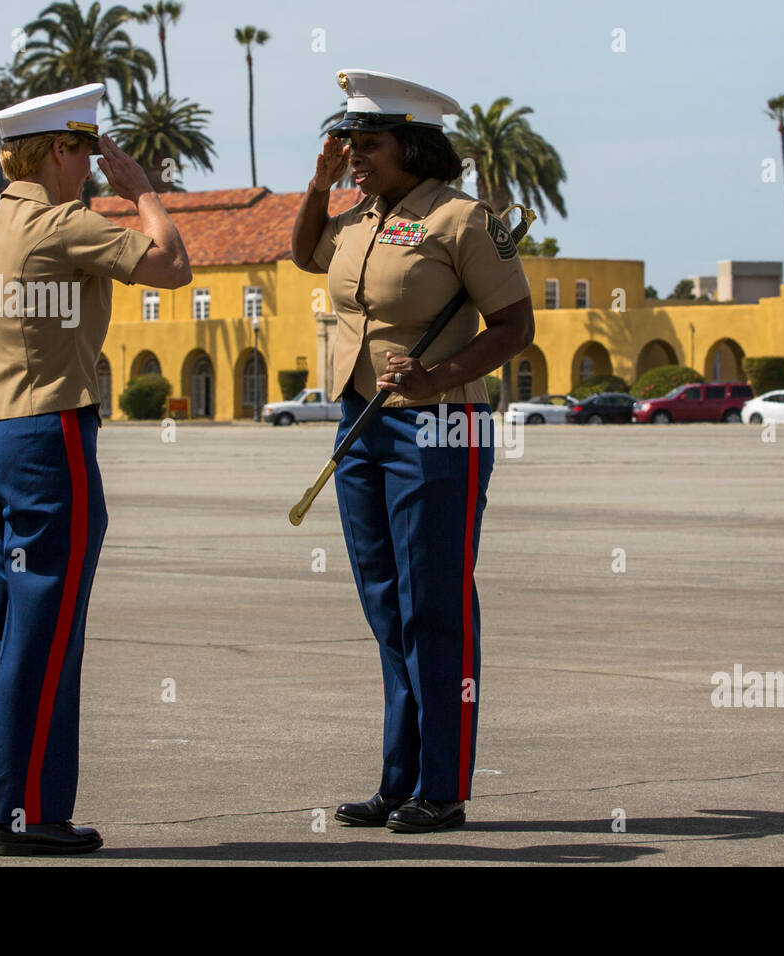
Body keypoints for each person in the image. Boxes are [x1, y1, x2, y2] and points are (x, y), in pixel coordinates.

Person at [290, 69, 534, 833]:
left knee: (435, 605)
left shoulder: (463, 220)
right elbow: (305, 258)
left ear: (414, 145)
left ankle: (444, 785)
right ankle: (398, 779)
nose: (355, 154)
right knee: (386, 604)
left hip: (440, 427)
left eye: (369, 143)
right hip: (361, 422)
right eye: (350, 142)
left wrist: (441, 377)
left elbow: (514, 325)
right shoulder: (360, 216)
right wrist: (320, 184)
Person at [0, 83, 190, 854]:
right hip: (44, 433)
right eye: (89, 149)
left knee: (0, 627)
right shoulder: (62, 223)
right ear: (58, 149)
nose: (97, 163)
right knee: (49, 628)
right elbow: (170, 266)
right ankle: (31, 812)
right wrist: (144, 194)